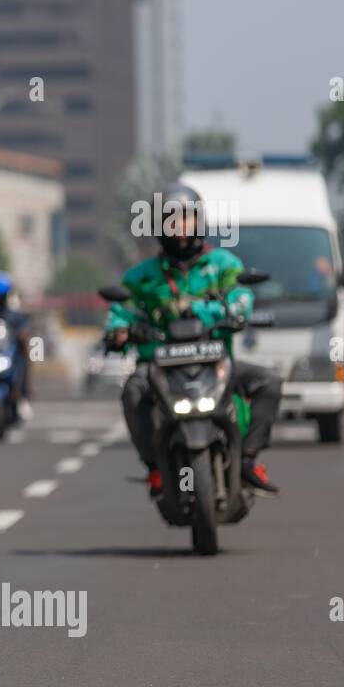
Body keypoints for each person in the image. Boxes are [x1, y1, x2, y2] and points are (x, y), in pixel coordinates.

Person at [104, 182, 281, 496]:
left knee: (268, 381)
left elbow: (241, 296)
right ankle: (156, 468)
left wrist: (225, 312)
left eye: (186, 217)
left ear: (199, 221)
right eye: (171, 218)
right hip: (160, 367)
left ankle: (249, 458)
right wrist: (118, 331)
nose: (180, 226)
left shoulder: (224, 265)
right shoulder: (141, 276)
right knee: (133, 391)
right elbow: (122, 311)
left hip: (214, 360)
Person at [0, 269, 34, 421]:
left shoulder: (14, 315)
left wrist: (23, 339)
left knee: (23, 362)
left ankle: (20, 395)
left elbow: (24, 333)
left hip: (8, 355)